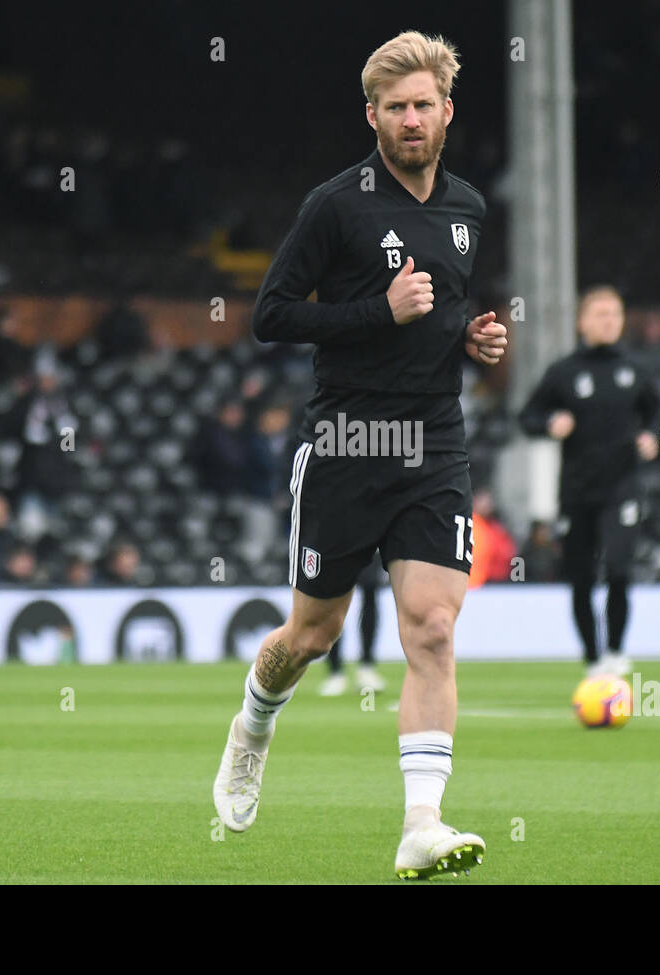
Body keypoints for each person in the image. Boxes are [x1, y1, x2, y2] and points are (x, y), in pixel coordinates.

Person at [212, 31, 507, 880]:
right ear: (372, 114)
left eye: (424, 105)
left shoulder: (470, 210)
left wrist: (470, 334)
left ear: (447, 111)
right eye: (395, 107)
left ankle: (422, 822)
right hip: (345, 442)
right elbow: (271, 314)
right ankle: (254, 725)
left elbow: (438, 313)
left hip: (434, 442)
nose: (411, 120)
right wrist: (381, 311)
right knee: (310, 633)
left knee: (434, 626)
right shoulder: (335, 205)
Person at [518, 286, 660, 678]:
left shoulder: (635, 369)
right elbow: (527, 417)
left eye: (615, 314)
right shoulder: (564, 372)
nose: (608, 321)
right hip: (577, 488)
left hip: (623, 487)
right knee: (581, 576)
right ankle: (592, 658)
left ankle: (616, 651)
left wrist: (652, 435)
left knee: (618, 568)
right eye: (600, 314)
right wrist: (550, 423)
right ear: (581, 322)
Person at [318, 557, 387, 696]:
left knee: (370, 592)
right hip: (337, 540)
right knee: (333, 597)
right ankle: (335, 671)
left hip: (369, 539)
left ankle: (366, 667)